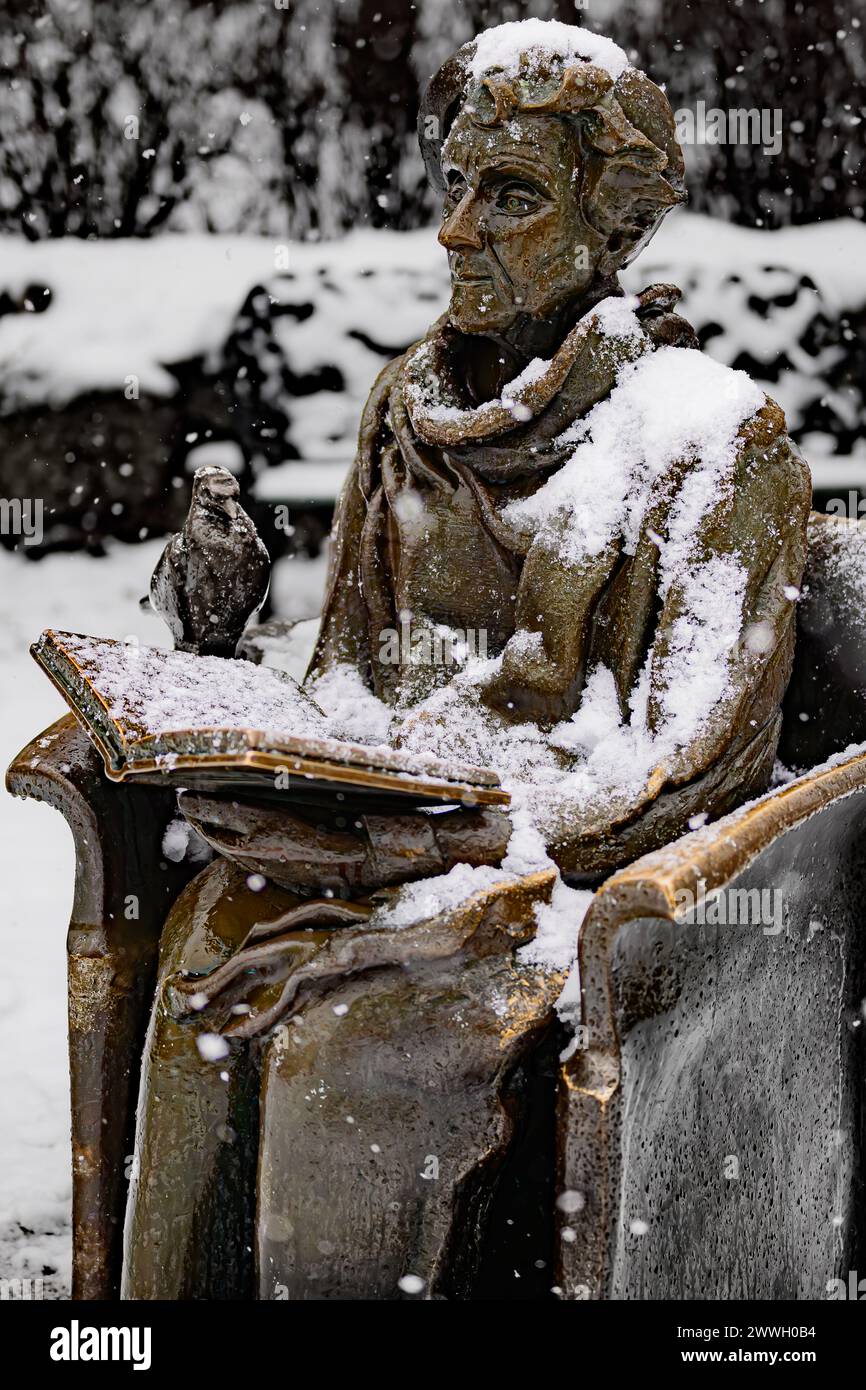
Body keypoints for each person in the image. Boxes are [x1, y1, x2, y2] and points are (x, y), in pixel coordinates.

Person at [122, 21, 810, 1300]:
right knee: (209, 939)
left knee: (350, 1030)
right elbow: (356, 676)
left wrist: (441, 838)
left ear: (610, 222)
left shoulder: (712, 444)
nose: (455, 232)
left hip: (558, 884)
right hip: (394, 839)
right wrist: (225, 649)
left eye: (510, 196)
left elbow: (690, 768)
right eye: (452, 185)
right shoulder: (405, 409)